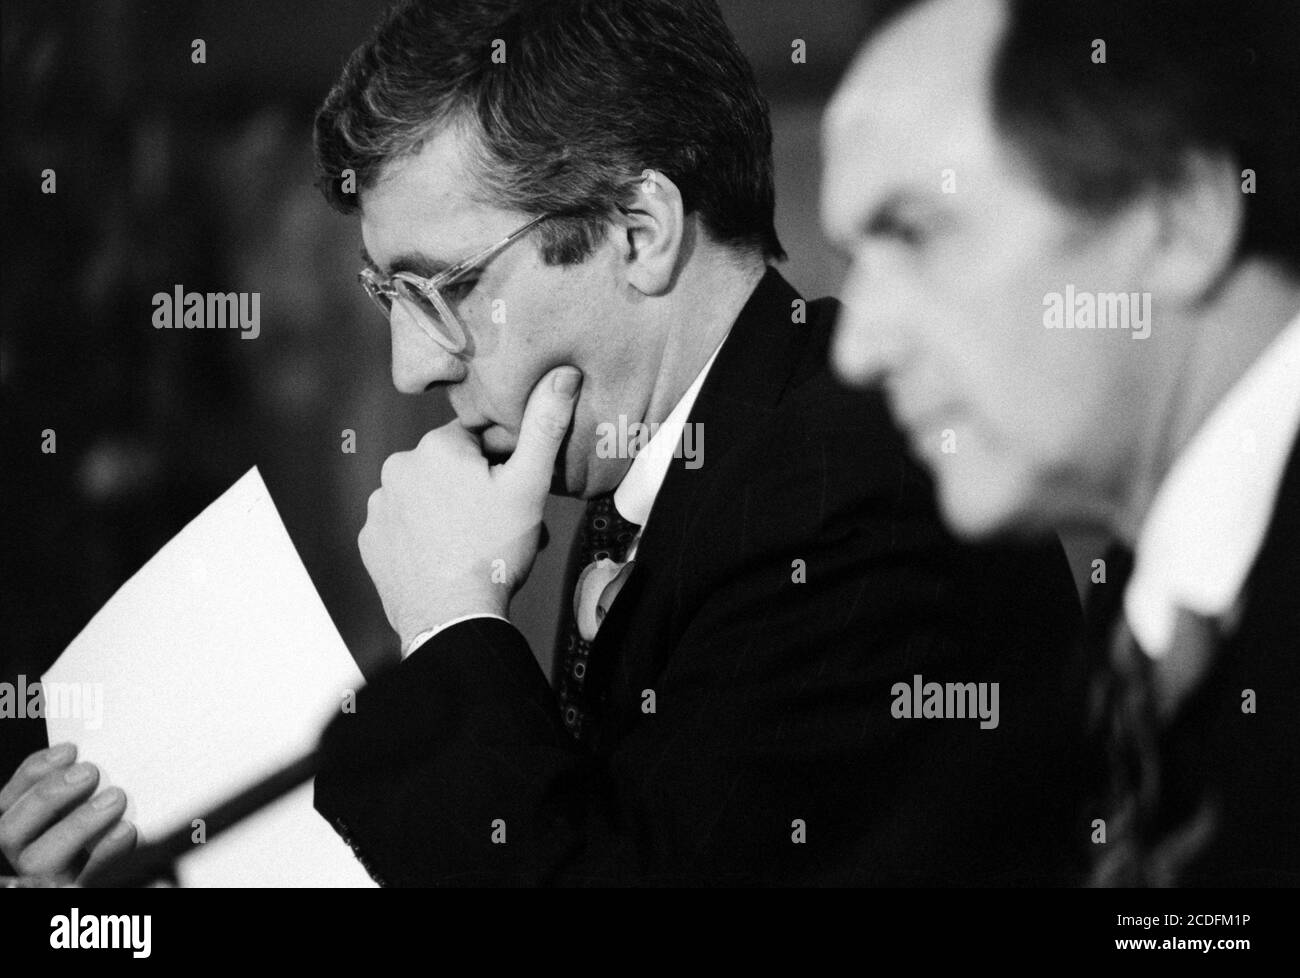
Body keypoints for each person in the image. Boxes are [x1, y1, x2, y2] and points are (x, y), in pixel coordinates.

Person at [1, 0, 1087, 887]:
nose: (411, 369)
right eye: (387, 294)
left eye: (444, 288)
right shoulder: (659, 477)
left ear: (638, 232)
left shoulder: (862, 487)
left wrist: (453, 627)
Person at [821, 0, 1300, 885]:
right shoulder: (1142, 635)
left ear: (1179, 218)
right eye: (855, 258)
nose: (856, 350)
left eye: (915, 232)